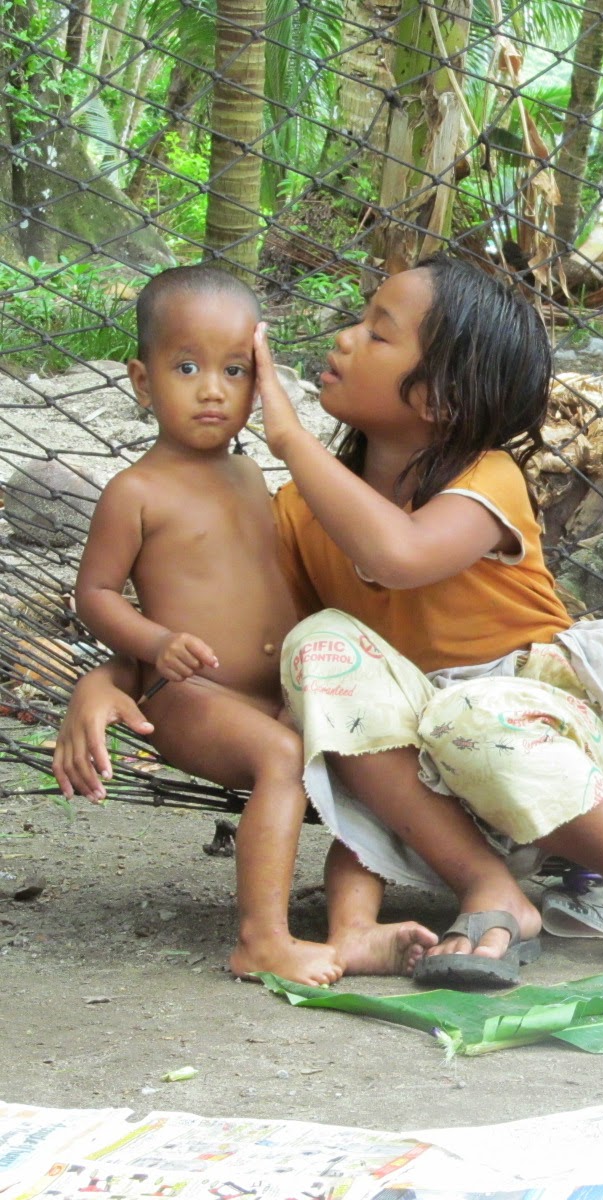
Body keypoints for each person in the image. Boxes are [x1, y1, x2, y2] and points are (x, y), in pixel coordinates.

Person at [55, 256, 603, 988]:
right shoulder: (297, 514)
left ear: (439, 395)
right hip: (415, 770)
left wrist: (290, 440)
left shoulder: (484, 478)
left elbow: (398, 554)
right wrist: (110, 675)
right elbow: (241, 625)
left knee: (465, 711)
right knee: (323, 649)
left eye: (376, 333)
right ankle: (478, 891)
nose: (342, 340)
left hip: (538, 749)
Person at [71, 265, 337, 986]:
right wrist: (153, 643)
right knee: (281, 761)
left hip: (268, 689)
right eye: (185, 367)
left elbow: (274, 581)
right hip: (187, 697)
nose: (212, 389)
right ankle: (263, 940)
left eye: (234, 370)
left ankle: (352, 922)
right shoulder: (137, 491)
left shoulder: (253, 477)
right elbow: (93, 594)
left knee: (345, 752)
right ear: (141, 379)